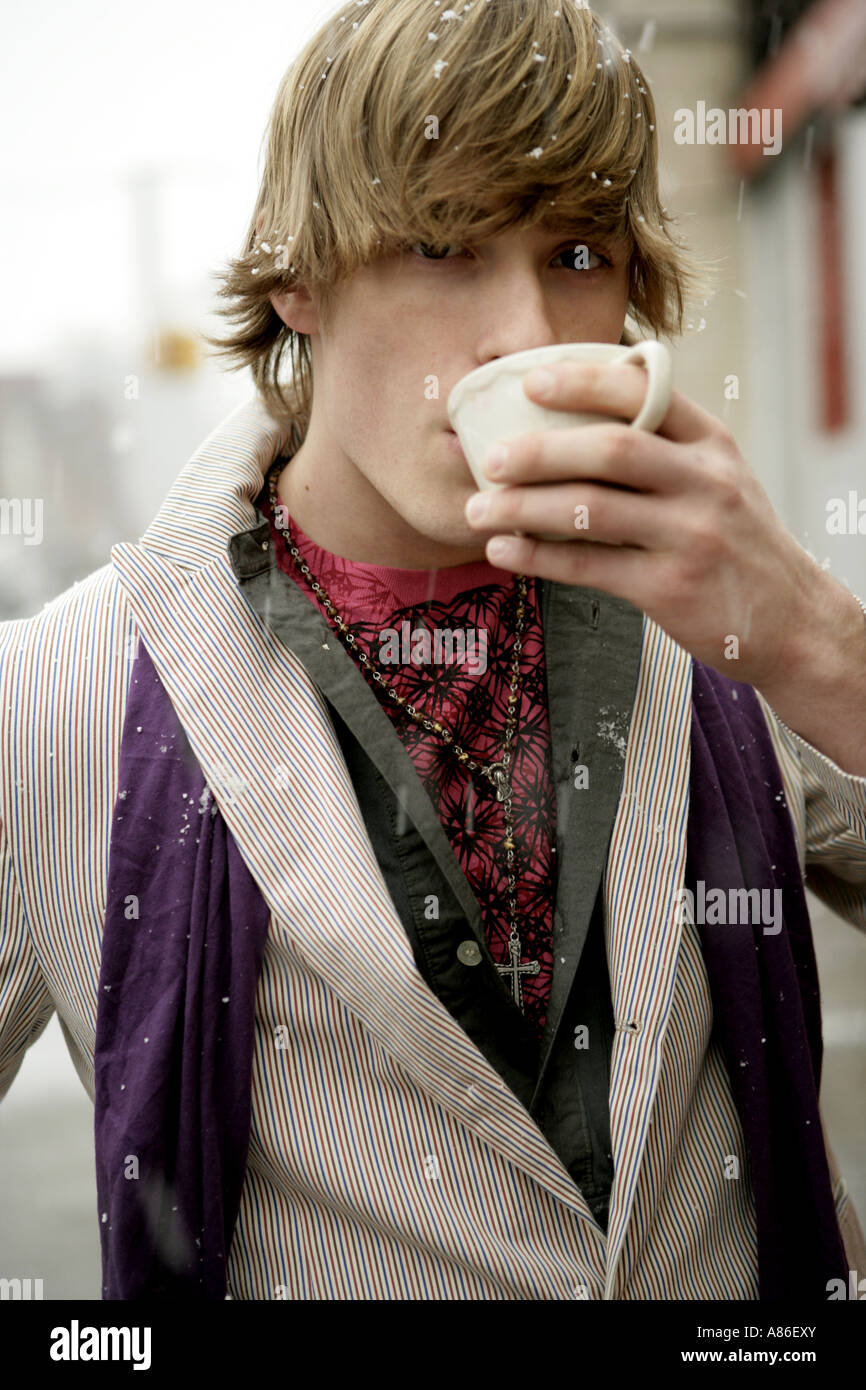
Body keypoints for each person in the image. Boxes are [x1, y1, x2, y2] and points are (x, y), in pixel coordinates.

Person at [2, 0, 866, 1302]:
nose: (523, 331)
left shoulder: (717, 621)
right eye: (442, 243)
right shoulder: (56, 701)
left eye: (575, 250)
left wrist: (810, 636)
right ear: (297, 276)